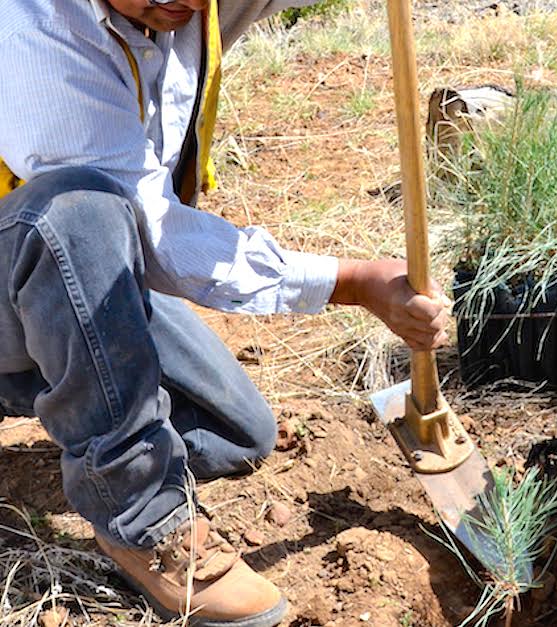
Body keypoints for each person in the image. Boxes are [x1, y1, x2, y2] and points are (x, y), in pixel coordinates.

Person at [0, 2, 450, 626]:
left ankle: (53, 394)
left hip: (63, 286)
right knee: (79, 209)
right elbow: (152, 231)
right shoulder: (35, 26)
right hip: (31, 261)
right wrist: (351, 282)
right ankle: (141, 518)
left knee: (238, 433)